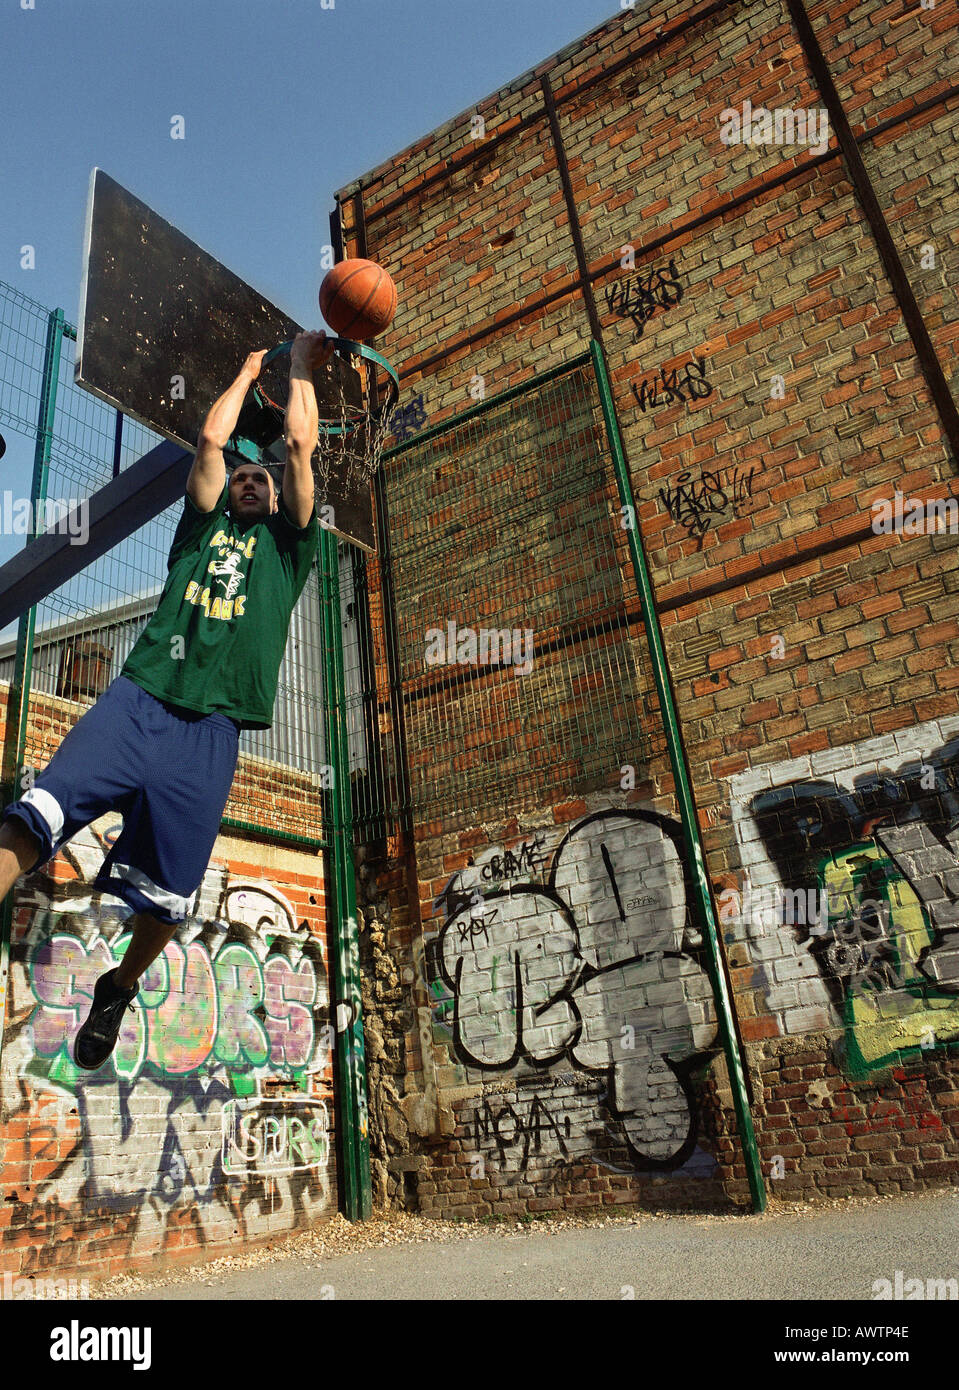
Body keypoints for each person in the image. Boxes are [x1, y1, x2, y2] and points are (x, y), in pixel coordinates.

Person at [0, 329, 332, 1069]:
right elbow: (213, 439)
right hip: (138, 702)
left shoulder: (289, 550)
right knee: (36, 815)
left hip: (209, 735)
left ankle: (116, 989)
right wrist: (250, 368)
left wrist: (304, 365)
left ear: (279, 498)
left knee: (167, 900)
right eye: (241, 476)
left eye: (261, 478)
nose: (250, 479)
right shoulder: (198, 530)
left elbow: (303, 449)